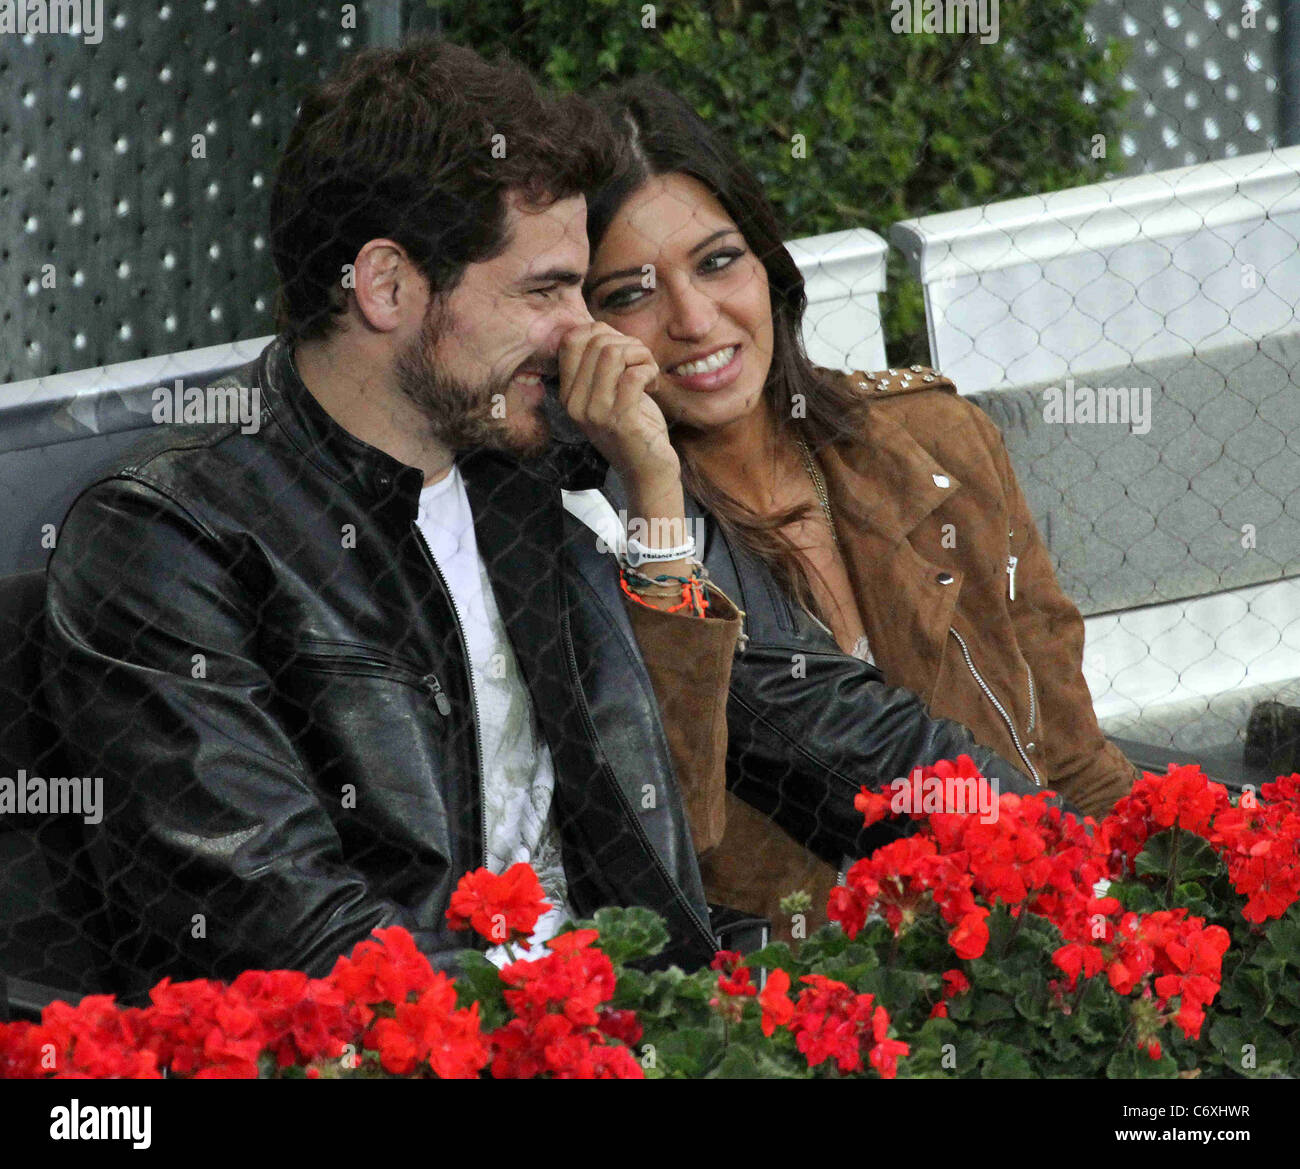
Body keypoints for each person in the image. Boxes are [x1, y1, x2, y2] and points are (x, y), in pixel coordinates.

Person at [40, 40, 749, 997]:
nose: (585, 332)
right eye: (544, 290)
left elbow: (807, 711)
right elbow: (295, 931)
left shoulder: (541, 463)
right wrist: (598, 1006)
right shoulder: (168, 539)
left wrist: (1014, 836)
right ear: (384, 287)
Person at [580, 80, 1138, 937]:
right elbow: (671, 829)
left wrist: (1147, 912)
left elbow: (1072, 759)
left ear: (767, 263)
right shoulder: (597, 536)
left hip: (1029, 929)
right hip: (805, 1000)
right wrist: (649, 480)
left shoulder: (936, 440)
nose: (693, 319)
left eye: (718, 260)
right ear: (578, 333)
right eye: (630, 293)